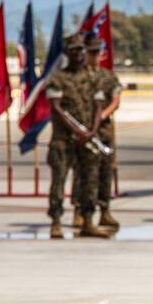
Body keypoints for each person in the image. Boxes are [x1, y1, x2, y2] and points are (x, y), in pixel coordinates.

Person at [45, 35, 109, 239]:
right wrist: (77, 130)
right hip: (64, 140)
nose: (78, 54)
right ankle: (56, 221)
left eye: (81, 50)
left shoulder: (93, 78)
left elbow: (99, 106)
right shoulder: (57, 79)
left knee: (90, 180)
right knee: (59, 181)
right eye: (74, 50)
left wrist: (91, 131)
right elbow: (56, 108)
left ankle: (88, 220)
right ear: (66, 53)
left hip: (87, 139)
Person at [79, 33, 122, 230]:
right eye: (91, 52)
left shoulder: (108, 76)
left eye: (97, 52)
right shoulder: (78, 76)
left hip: (103, 130)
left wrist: (102, 116)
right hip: (83, 130)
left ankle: (105, 210)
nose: (94, 56)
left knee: (106, 171)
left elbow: (115, 100)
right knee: (83, 172)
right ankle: (80, 211)